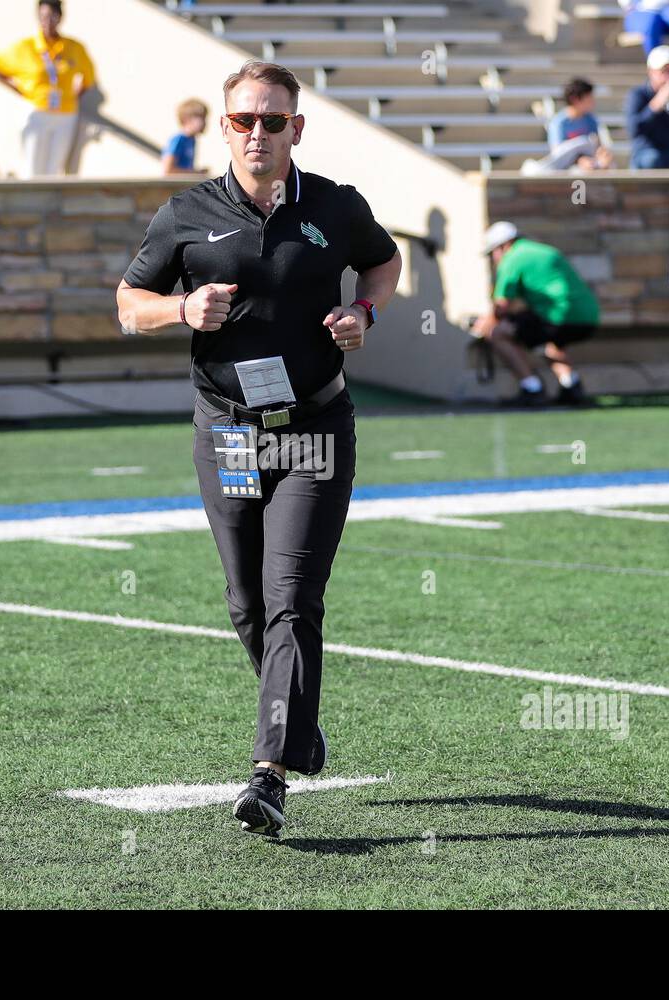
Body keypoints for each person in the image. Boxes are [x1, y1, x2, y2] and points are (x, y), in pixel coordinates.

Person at [115, 61, 402, 838]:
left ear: (296, 129)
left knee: (291, 596)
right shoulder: (185, 213)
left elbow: (384, 259)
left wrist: (365, 311)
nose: (257, 133)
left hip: (313, 428)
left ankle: (268, 771)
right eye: (244, 120)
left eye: (272, 121)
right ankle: (298, 724)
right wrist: (180, 307)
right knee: (246, 602)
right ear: (224, 126)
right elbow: (126, 305)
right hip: (230, 431)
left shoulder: (336, 206)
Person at [470, 222, 598, 406]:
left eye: (492, 253)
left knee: (498, 333)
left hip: (557, 317)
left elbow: (501, 306)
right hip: (588, 318)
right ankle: (571, 386)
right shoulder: (544, 250)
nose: (493, 259)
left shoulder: (512, 258)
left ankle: (532, 388)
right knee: (546, 341)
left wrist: (483, 326)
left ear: (504, 245)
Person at [0, 0, 96, 177]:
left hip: (65, 113)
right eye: (43, 17)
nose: (48, 22)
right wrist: (19, 89)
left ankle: (48, 205)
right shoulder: (27, 46)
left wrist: (72, 96)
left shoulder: (74, 47)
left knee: (54, 169)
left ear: (60, 18)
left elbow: (89, 78)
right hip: (37, 111)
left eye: (52, 16)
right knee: (32, 167)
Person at [545, 78, 615, 170]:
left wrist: (603, 155)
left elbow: (597, 145)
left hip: (589, 163)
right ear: (575, 99)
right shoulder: (559, 123)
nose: (593, 101)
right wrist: (579, 160)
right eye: (589, 97)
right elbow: (558, 154)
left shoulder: (590, 120)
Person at [162, 98, 208, 175]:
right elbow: (168, 170)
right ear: (187, 119)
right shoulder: (178, 140)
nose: (204, 122)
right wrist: (195, 173)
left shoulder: (192, 140)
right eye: (200, 118)